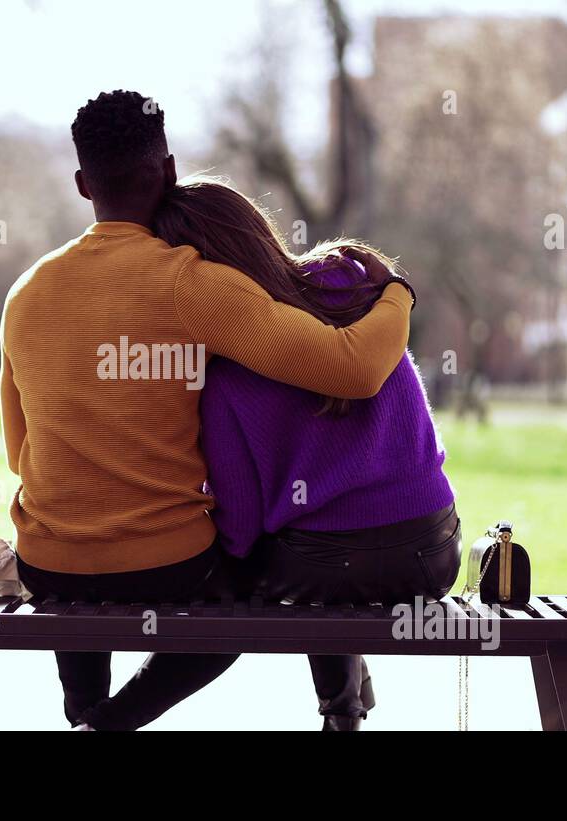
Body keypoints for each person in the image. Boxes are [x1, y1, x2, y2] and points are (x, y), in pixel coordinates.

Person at [0, 91, 414, 730]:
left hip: (48, 563)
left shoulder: (26, 294)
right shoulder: (189, 283)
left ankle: (83, 708)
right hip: (170, 565)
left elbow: (15, 449)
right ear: (167, 171)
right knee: (248, 590)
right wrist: (395, 294)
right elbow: (350, 369)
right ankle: (107, 724)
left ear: (84, 186)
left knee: (69, 550)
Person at [153, 179, 460, 732]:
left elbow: (242, 527)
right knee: (326, 539)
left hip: (325, 566)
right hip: (434, 548)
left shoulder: (224, 372)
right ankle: (345, 713)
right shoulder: (349, 277)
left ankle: (108, 719)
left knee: (293, 555)